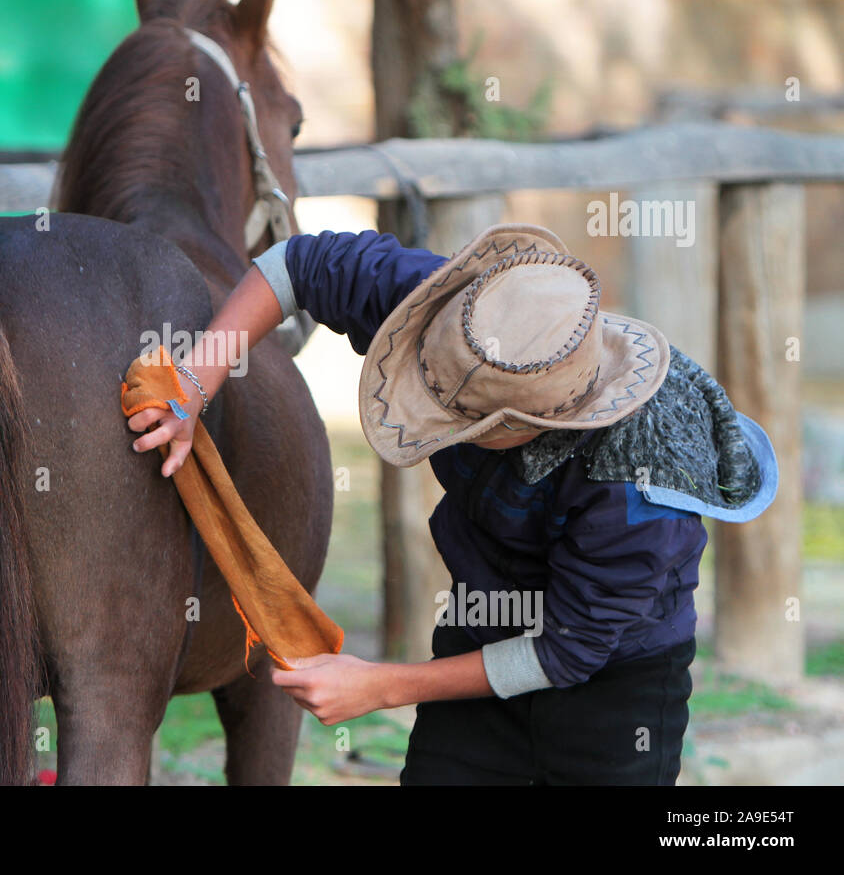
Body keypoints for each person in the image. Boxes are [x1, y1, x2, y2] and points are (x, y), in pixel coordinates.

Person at [126, 222, 778, 785]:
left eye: (461, 420)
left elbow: (565, 653)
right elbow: (300, 264)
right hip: (483, 617)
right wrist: (196, 379)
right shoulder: (462, 315)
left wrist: (379, 686)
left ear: (535, 424)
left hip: (617, 678)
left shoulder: (640, 489)